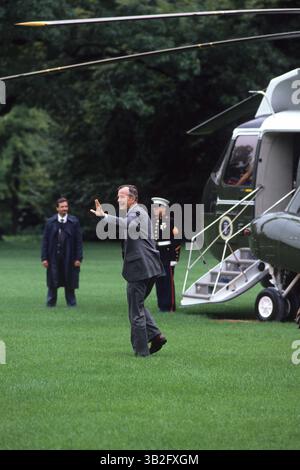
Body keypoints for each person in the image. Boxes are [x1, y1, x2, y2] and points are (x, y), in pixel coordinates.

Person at [90, 185, 167, 357]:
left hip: (140, 269)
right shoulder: (138, 211)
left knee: (135, 311)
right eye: (118, 197)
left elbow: (128, 225)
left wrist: (104, 216)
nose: (118, 200)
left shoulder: (136, 212)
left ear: (132, 198)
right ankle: (155, 336)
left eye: (121, 196)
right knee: (137, 304)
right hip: (150, 268)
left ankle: (141, 351)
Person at [41, 197, 83, 307]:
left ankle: (71, 303)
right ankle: (50, 303)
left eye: (66, 206)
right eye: (62, 207)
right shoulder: (50, 222)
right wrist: (44, 258)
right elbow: (45, 241)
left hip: (70, 257)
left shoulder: (74, 222)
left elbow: (79, 241)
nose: (65, 208)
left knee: (70, 280)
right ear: (57, 208)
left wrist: (79, 258)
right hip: (53, 257)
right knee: (52, 280)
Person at [151, 197, 181, 312]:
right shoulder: (154, 222)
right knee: (159, 281)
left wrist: (174, 258)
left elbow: (176, 241)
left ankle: (169, 306)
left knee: (168, 281)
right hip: (157, 256)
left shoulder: (171, 222)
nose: (154, 209)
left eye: (156, 207)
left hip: (168, 255)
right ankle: (161, 305)